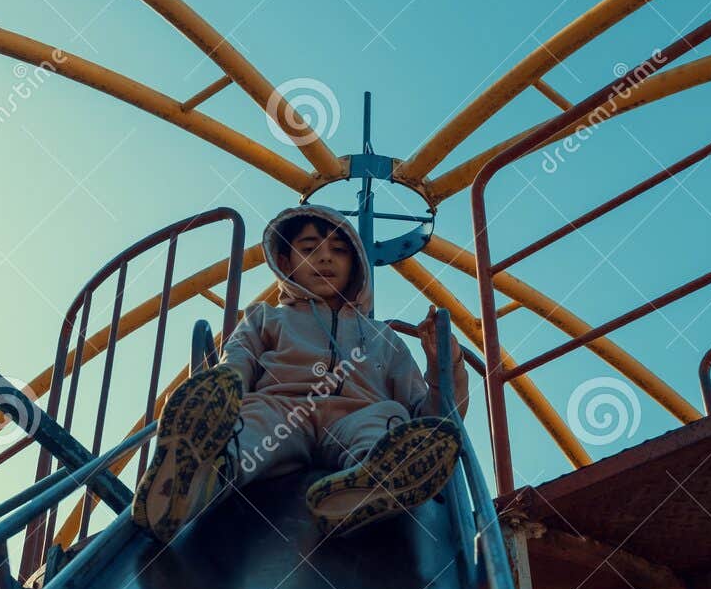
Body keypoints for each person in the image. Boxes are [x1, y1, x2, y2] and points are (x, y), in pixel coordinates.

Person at [131, 203, 468, 543]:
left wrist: (445, 368)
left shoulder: (383, 337)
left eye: (339, 251)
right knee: (250, 425)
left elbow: (430, 414)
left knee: (389, 419)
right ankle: (196, 482)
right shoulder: (267, 317)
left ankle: (374, 484)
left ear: (355, 266)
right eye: (309, 250)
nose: (325, 258)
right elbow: (240, 358)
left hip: (356, 414)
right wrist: (225, 389)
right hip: (283, 409)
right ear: (286, 260)